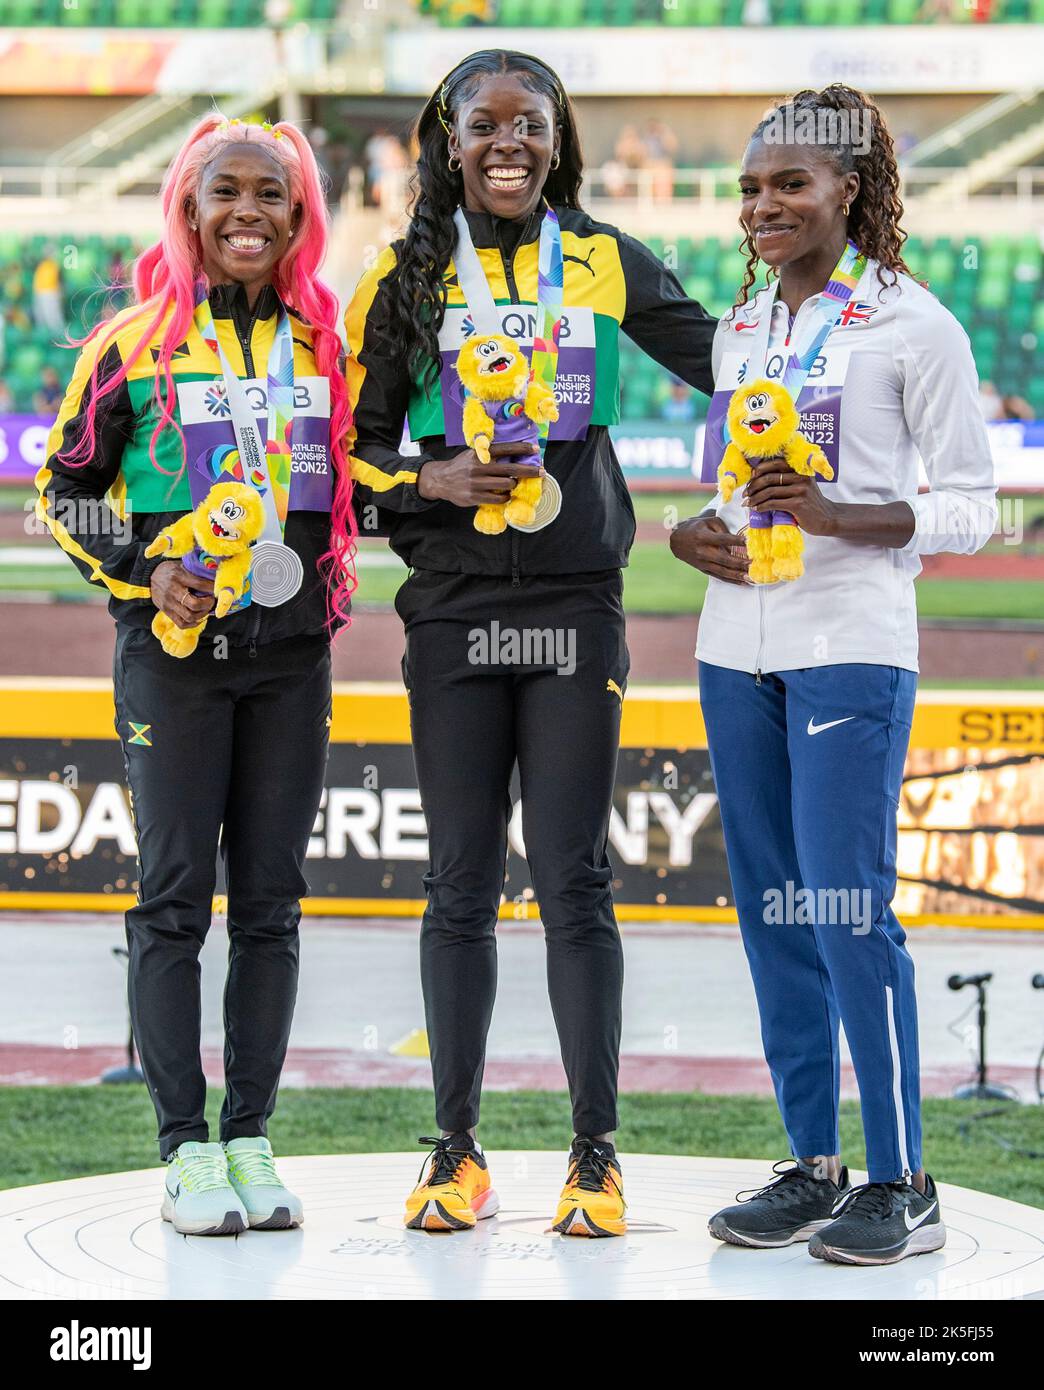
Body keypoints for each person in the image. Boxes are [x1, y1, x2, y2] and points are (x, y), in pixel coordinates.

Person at [345, 48, 715, 1237]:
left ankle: (594, 1157)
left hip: (571, 605)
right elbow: (346, 464)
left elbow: (724, 360)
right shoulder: (401, 280)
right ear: (445, 142)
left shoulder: (603, 258)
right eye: (483, 125)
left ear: (560, 141)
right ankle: (454, 1151)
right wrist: (428, 478)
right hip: (451, 613)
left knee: (574, 880)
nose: (508, 144)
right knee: (458, 884)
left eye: (531, 125)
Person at [671, 84, 997, 1266]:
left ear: (848, 193)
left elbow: (975, 501)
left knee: (850, 909)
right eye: (753, 187)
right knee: (772, 912)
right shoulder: (743, 326)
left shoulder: (919, 326)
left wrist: (851, 516)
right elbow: (727, 480)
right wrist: (689, 532)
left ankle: (904, 1181)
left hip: (850, 642)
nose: (763, 206)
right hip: (733, 641)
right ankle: (815, 1165)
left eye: (789, 185)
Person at [35, 114, 354, 1237]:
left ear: (299, 215)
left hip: (291, 660)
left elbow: (361, 484)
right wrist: (142, 567)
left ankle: (252, 1135)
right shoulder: (129, 340)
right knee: (174, 905)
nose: (249, 213)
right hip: (173, 662)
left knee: (269, 907)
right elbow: (61, 489)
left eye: (273, 194)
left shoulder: (325, 348)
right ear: (189, 206)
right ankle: (183, 1151)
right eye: (227, 192)